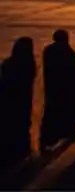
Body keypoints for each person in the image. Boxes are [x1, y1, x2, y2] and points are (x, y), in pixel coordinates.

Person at [39, 30, 75, 152]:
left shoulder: (49, 51)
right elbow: (74, 69)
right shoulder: (67, 52)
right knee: (66, 111)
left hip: (53, 88)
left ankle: (47, 139)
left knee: (52, 112)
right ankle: (65, 132)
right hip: (66, 89)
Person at [0, 38, 36, 169]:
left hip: (9, 100)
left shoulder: (9, 64)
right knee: (21, 123)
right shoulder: (29, 64)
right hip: (22, 101)